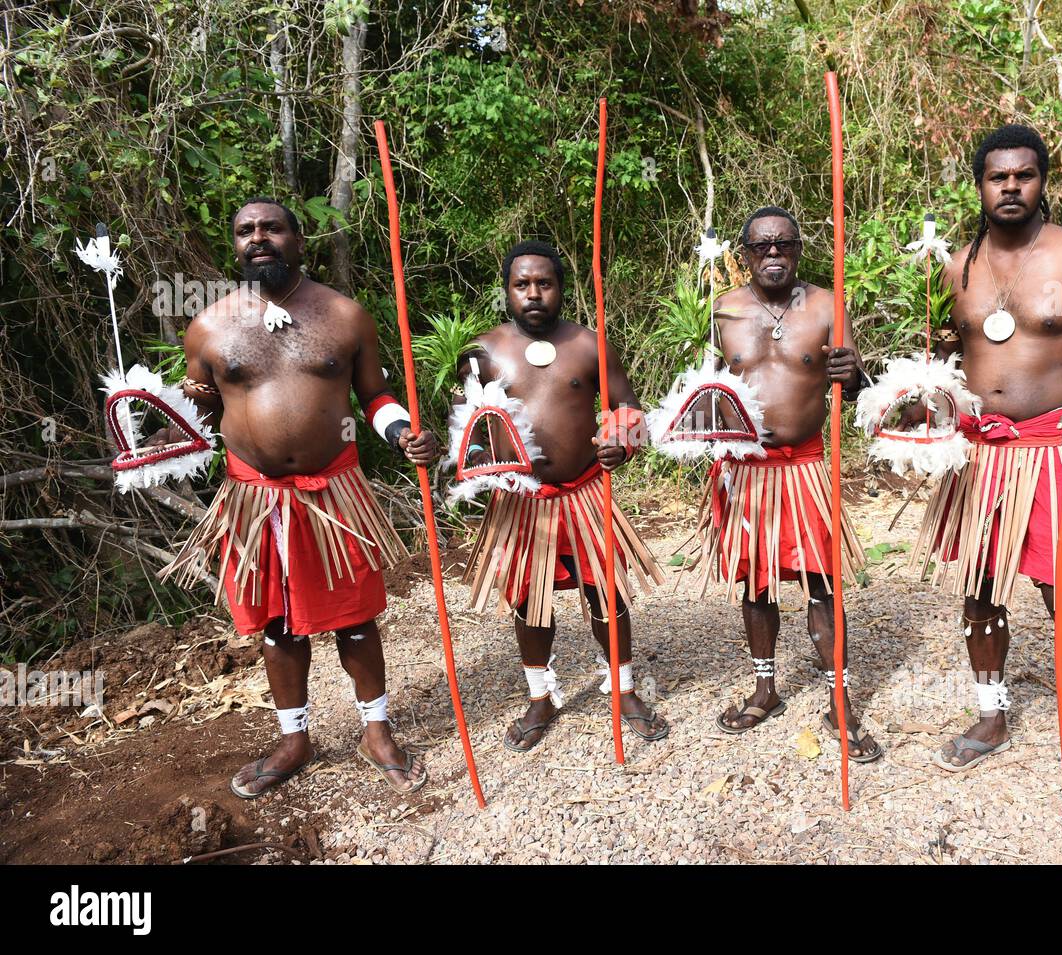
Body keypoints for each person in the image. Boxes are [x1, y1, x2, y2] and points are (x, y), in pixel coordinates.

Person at [910, 125, 1062, 843]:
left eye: (1024, 174)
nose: (1010, 186)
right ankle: (991, 711)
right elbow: (946, 359)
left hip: (1050, 454)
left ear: (1044, 180)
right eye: (996, 176)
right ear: (978, 185)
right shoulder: (956, 267)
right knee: (979, 592)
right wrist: (925, 402)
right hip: (979, 458)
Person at [157, 198, 434, 796]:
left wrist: (401, 431)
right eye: (246, 231)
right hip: (254, 500)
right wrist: (167, 424)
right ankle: (294, 737)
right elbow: (204, 414)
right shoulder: (207, 327)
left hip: (335, 490)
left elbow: (376, 396)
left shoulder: (345, 316)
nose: (259, 238)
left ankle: (376, 729)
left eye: (272, 228)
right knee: (279, 625)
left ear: (298, 240)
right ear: (234, 245)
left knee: (355, 618)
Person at [454, 240, 668, 752]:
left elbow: (630, 409)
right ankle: (540, 697)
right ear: (506, 290)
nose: (533, 294)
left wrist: (622, 444)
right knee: (530, 601)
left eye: (543, 283)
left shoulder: (590, 344)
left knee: (605, 594)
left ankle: (623, 690)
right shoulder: (481, 353)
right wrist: (480, 466)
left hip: (586, 491)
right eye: (521, 284)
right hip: (521, 502)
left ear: (560, 288)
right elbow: (468, 429)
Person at [701, 207, 877, 762]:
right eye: (761, 246)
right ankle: (765, 688)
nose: (773, 254)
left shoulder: (827, 305)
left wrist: (856, 375)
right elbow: (707, 387)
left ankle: (838, 700)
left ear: (798, 249)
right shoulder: (722, 309)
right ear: (745, 252)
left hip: (805, 467)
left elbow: (859, 389)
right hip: (745, 469)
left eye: (784, 245)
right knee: (755, 585)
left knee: (822, 583)